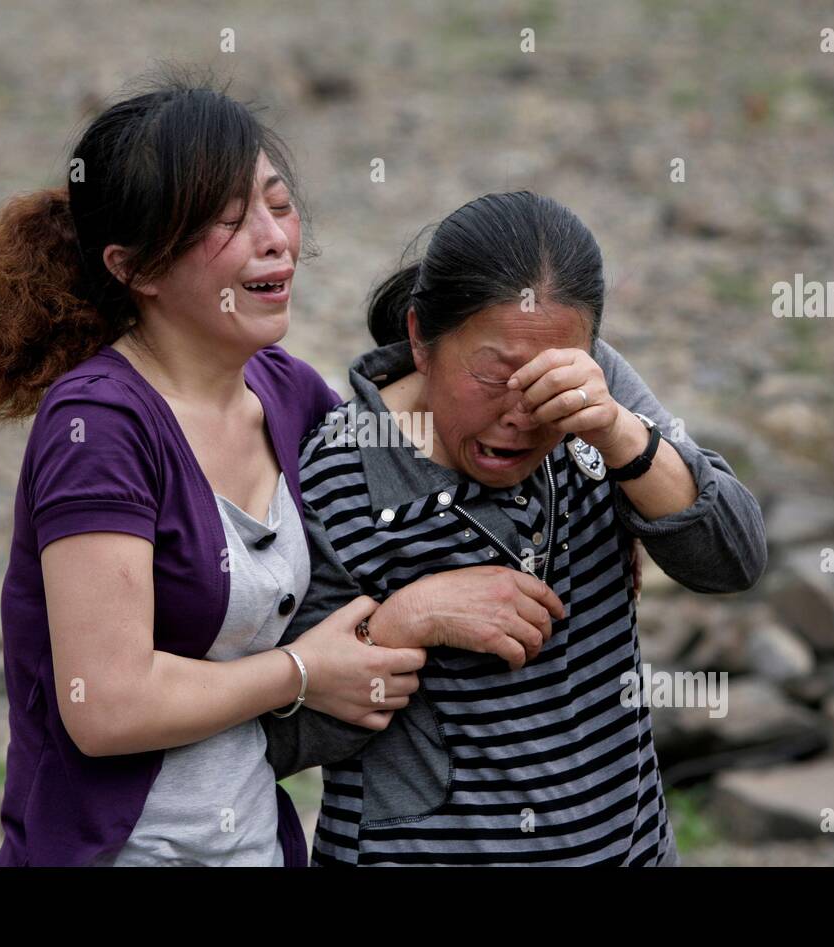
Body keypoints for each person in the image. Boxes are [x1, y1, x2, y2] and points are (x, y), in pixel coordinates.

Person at [0, 73, 559, 867]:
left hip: (253, 844)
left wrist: (593, 483)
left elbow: (428, 465)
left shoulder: (289, 395)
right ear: (133, 267)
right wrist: (302, 671)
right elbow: (104, 705)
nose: (274, 239)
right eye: (227, 221)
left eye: (278, 205)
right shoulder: (98, 427)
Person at [262, 190, 768, 865]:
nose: (522, 413)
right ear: (419, 337)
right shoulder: (340, 476)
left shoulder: (595, 396)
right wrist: (404, 622)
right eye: (493, 373)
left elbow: (733, 562)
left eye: (546, 378)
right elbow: (282, 735)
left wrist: (621, 435)